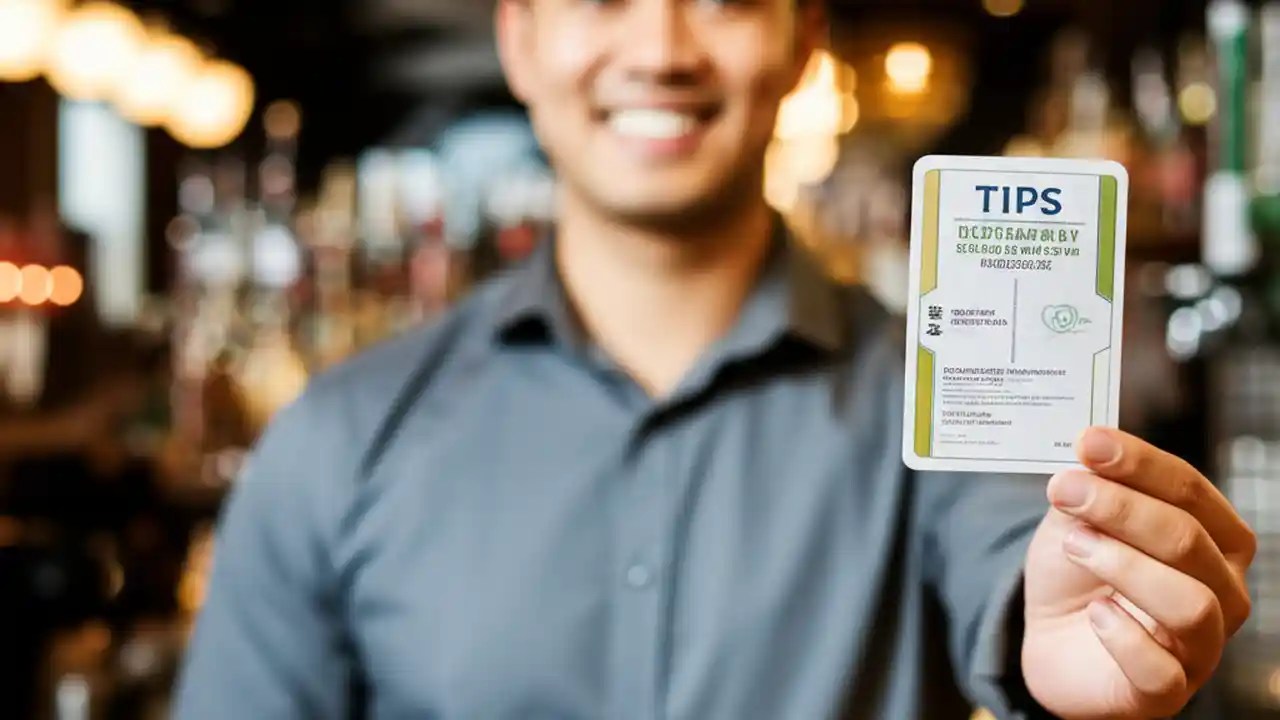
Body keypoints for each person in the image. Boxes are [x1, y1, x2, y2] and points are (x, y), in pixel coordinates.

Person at [174, 1, 1257, 718]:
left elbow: (1021, 553)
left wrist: (1084, 627)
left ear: (800, 41)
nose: (658, 49)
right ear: (518, 37)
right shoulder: (340, 434)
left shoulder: (945, 397)